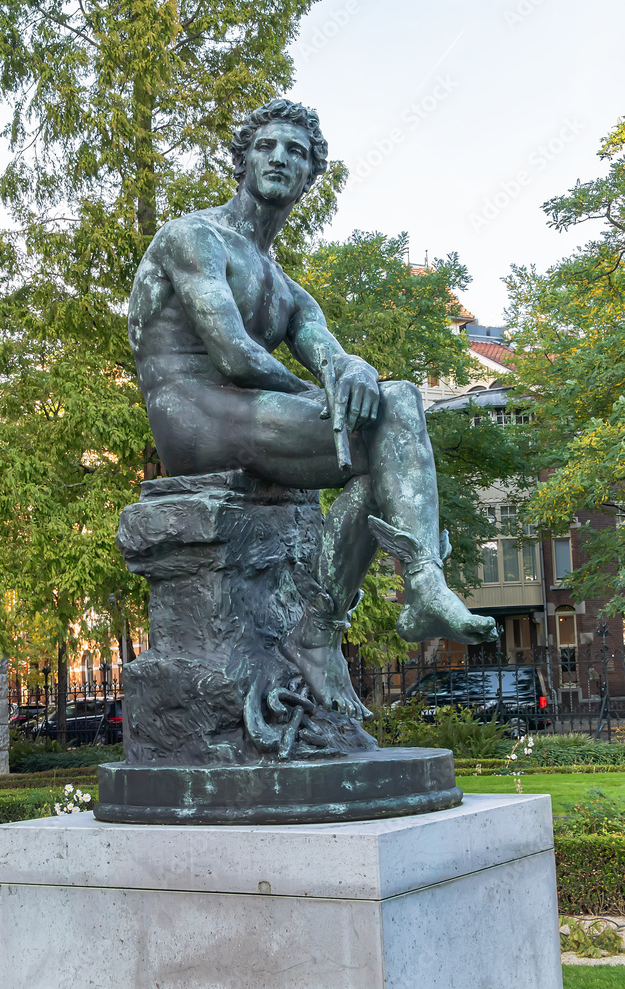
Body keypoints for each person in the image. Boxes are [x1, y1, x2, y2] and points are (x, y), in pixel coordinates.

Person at [128, 98, 497, 721]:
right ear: (243, 159)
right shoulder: (194, 237)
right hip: (193, 416)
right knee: (380, 422)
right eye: (268, 146)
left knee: (398, 401)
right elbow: (235, 355)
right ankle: (406, 591)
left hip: (247, 414)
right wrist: (333, 396)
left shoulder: (290, 293)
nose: (280, 159)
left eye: (296, 153)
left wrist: (356, 373)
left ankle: (356, 608)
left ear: (309, 177)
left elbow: (335, 361)